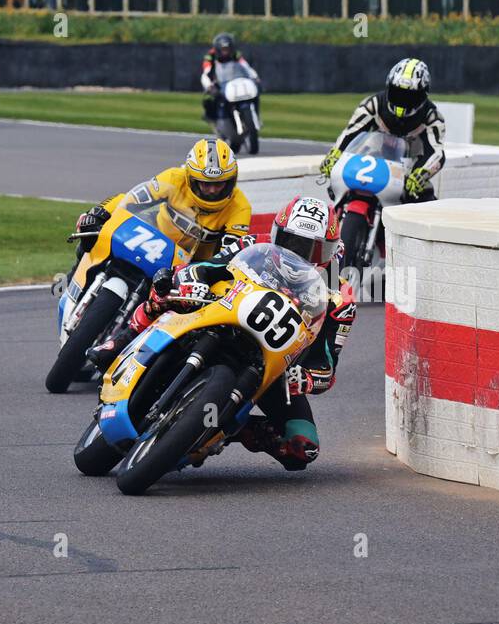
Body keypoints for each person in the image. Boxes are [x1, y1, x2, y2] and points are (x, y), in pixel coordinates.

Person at [98, 195, 355, 472]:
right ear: (276, 233)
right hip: (218, 314)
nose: (298, 253)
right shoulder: (252, 246)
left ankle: (237, 428)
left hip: (272, 368)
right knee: (164, 289)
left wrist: (303, 378)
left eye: (312, 249)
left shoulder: (340, 300)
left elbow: (326, 368)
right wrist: (187, 280)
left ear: (330, 251)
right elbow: (209, 267)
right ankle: (121, 340)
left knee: (304, 448)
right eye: (291, 241)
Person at [75, 137, 254, 359]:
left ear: (232, 181)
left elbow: (231, 251)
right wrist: (99, 211)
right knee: (91, 232)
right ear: (190, 177)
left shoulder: (240, 206)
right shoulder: (173, 178)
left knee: (176, 314)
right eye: (204, 183)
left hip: (188, 265)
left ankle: (130, 348)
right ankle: (74, 280)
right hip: (149, 240)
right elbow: (131, 198)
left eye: (219, 184)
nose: (211, 190)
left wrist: (204, 272)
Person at [319, 57, 446, 202]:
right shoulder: (373, 104)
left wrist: (422, 173)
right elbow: (351, 131)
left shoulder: (432, 117)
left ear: (423, 94)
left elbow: (437, 153)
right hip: (372, 157)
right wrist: (335, 154)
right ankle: (339, 214)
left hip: (409, 167)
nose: (403, 100)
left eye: (411, 96)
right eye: (398, 93)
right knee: (334, 185)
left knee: (426, 195)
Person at [200, 33, 259, 122]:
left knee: (254, 93)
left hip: (236, 80)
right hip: (219, 81)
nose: (226, 52)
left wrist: (255, 77)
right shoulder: (210, 57)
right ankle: (213, 117)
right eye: (223, 49)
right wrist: (209, 86)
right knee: (211, 99)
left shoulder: (235, 54)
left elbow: (245, 66)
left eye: (227, 49)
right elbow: (206, 73)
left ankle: (255, 116)